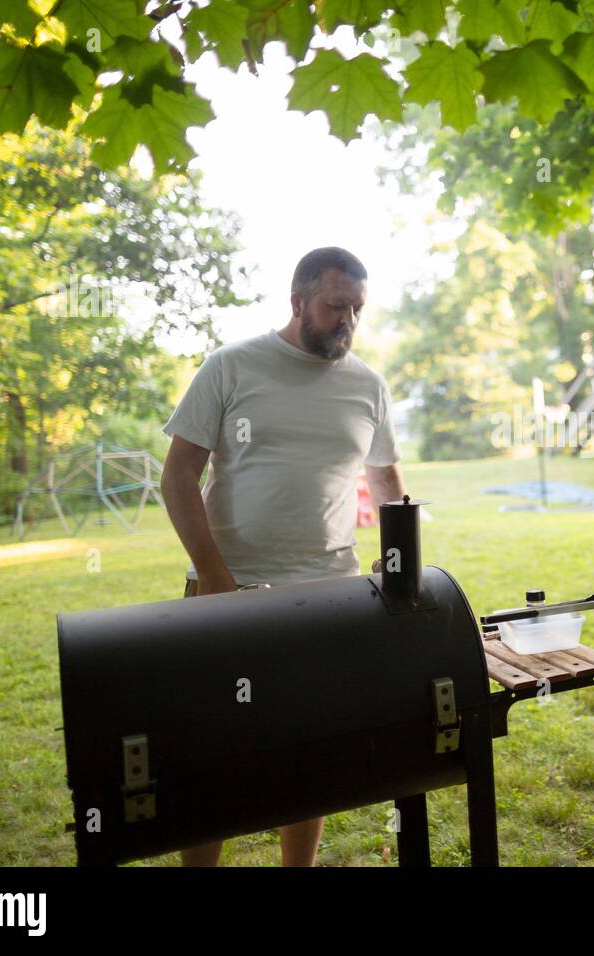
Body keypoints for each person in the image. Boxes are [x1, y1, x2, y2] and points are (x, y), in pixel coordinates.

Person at [159, 246, 406, 867]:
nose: (347, 320)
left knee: (310, 747)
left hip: (328, 594)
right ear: (298, 302)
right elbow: (178, 474)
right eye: (334, 307)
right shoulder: (233, 366)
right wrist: (215, 575)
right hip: (227, 591)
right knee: (214, 753)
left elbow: (386, 484)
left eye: (357, 309)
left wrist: (396, 555)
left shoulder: (367, 385)